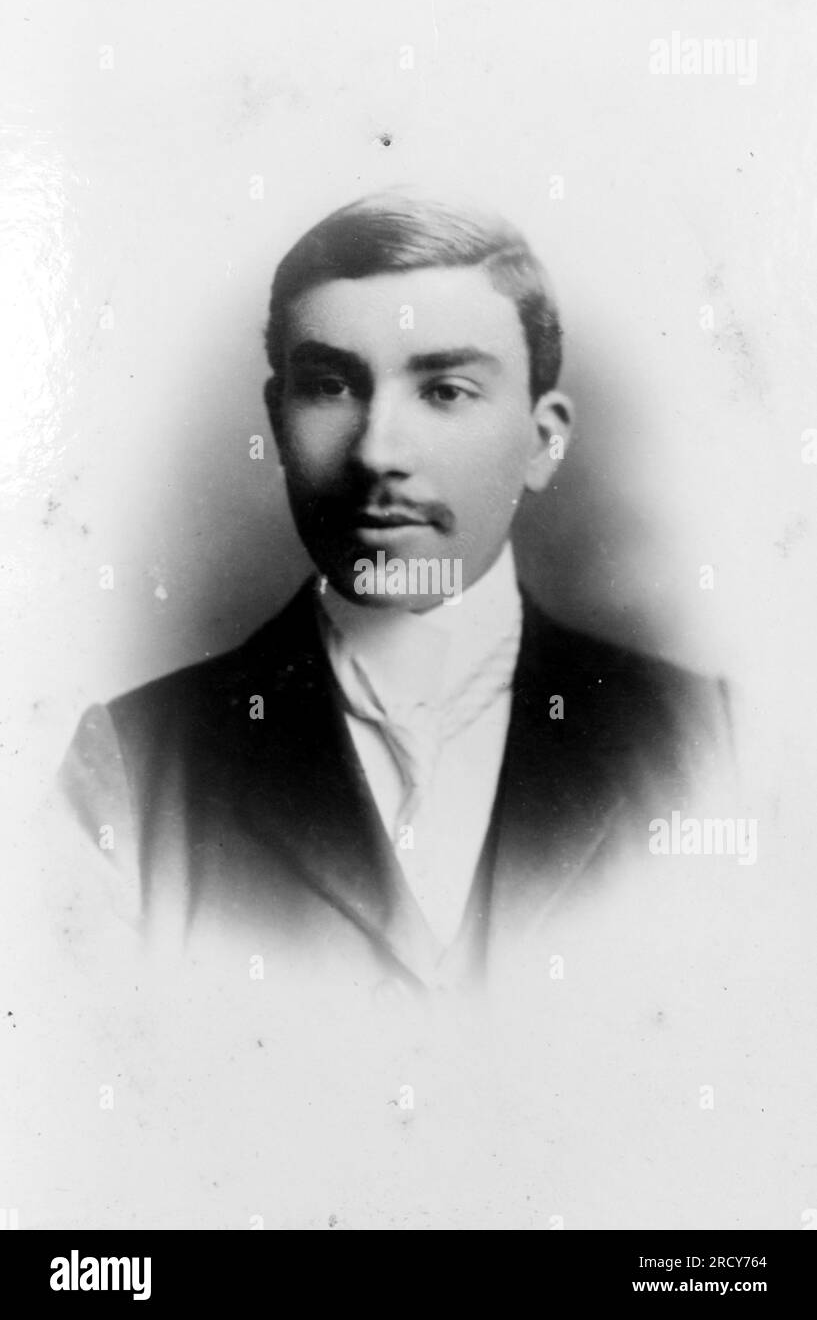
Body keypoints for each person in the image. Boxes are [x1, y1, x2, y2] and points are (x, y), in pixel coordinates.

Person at [58, 190, 731, 996]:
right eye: (331, 387)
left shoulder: (709, 740)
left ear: (543, 440)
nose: (377, 451)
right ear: (277, 419)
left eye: (445, 390)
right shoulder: (129, 770)